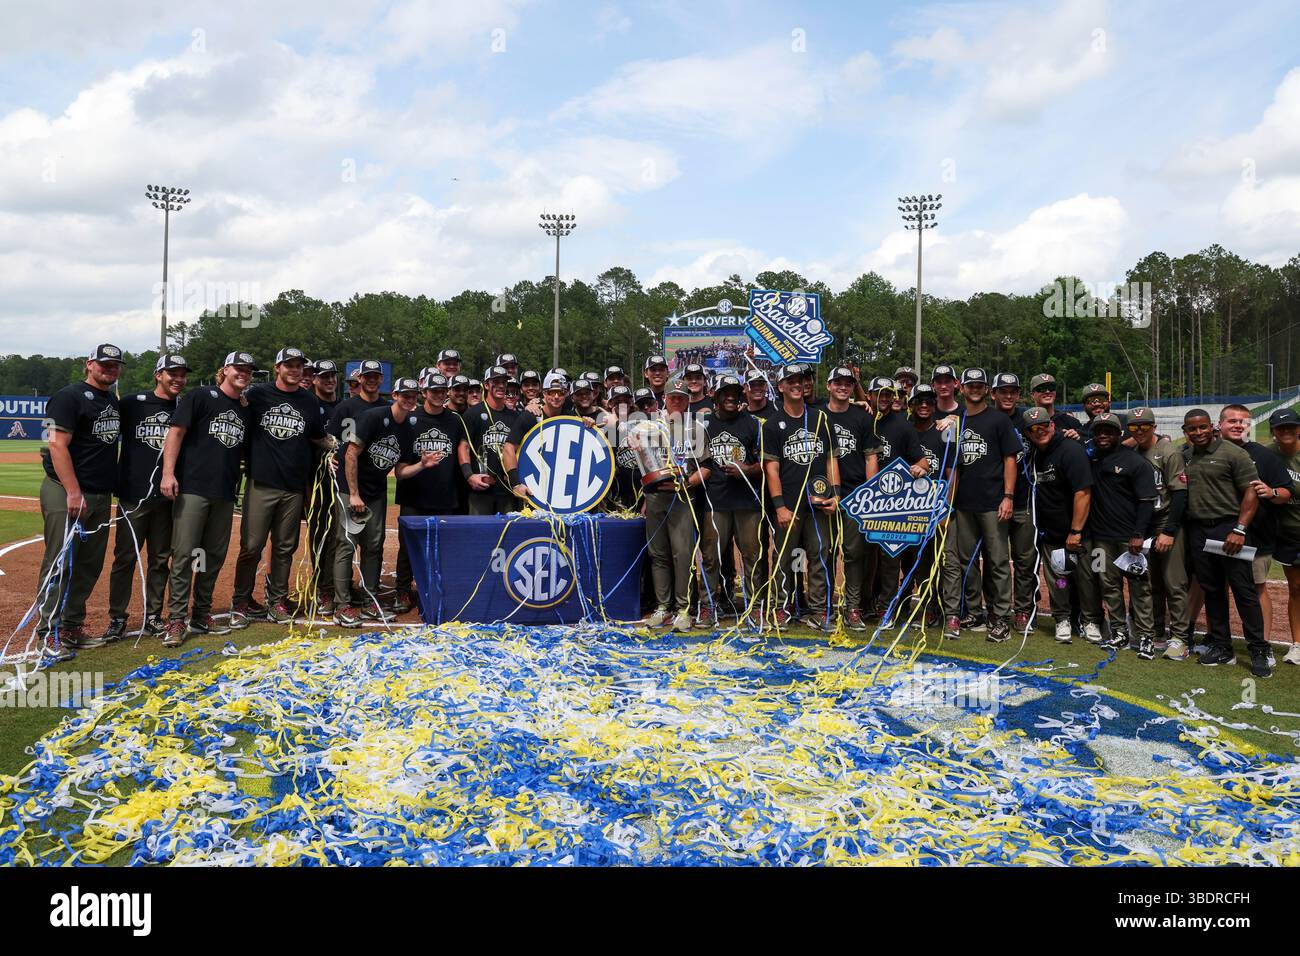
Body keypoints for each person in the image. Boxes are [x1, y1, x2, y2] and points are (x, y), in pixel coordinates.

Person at [159, 352, 255, 648]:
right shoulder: (201, 396)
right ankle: (176, 618)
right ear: (225, 369)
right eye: (238, 368)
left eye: (248, 371)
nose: (243, 374)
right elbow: (175, 433)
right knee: (185, 554)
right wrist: (168, 474)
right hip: (193, 489)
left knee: (210, 557)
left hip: (224, 493)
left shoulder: (245, 409)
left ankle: (201, 613)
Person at [231, 347, 331, 627]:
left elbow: (317, 437)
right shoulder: (257, 395)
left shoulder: (309, 401)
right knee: (251, 545)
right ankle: (241, 600)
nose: (295, 370)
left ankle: (276, 599)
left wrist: (336, 447)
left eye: (299, 366)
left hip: (294, 486)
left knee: (285, 547)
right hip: (262, 482)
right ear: (277, 368)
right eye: (289, 365)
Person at [35, 343, 124, 657]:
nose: (110, 370)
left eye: (115, 366)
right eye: (104, 364)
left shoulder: (111, 400)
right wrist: (73, 491)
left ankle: (72, 626)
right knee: (59, 562)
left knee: (88, 565)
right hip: (66, 490)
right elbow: (57, 446)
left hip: (100, 493)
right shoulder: (69, 396)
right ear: (89, 364)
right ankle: (49, 632)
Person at [102, 354, 189, 643]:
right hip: (133, 495)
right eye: (171, 373)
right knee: (125, 557)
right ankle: (117, 617)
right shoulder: (131, 403)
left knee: (160, 559)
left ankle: (153, 615)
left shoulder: (185, 406)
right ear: (157, 375)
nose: (177, 379)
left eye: (181, 374)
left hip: (168, 498)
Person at [1180, 408, 1271, 676]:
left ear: (1212, 427)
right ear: (1185, 432)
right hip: (1199, 529)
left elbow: (1251, 493)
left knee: (1244, 591)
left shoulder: (1234, 453)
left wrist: (1240, 529)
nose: (1198, 433)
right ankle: (1222, 646)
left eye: (1202, 427)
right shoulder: (1186, 456)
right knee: (1212, 590)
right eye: (1192, 429)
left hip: (1229, 528)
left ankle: (1258, 649)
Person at [940, 367, 1021, 642]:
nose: (975, 389)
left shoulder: (998, 420)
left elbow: (1010, 459)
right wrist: (949, 504)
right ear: (961, 388)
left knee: (997, 561)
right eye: (970, 385)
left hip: (992, 502)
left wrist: (1008, 496)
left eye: (980, 385)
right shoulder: (958, 422)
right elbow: (955, 468)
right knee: (968, 562)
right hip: (964, 504)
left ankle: (1000, 617)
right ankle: (974, 611)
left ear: (987, 389)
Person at [333, 378, 422, 626]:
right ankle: (342, 605)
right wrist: (353, 493)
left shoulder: (407, 428)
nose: (410, 398)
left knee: (374, 546)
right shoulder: (373, 417)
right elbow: (351, 454)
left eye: (414, 395)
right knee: (347, 544)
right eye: (405, 394)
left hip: (376, 492)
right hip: (351, 488)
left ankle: (369, 598)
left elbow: (401, 471)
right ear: (394, 394)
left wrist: (422, 464)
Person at [762, 365, 840, 629]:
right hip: (790, 506)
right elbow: (770, 469)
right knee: (784, 558)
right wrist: (779, 507)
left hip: (818, 504)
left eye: (801, 380)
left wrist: (836, 494)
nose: (797, 384)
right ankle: (781, 609)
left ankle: (818, 612)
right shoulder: (772, 424)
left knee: (819, 556)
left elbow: (831, 458)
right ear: (781, 386)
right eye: (790, 380)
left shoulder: (820, 418)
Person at [1075, 413, 1158, 656]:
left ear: (1119, 433)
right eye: (1098, 430)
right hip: (1101, 539)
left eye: (1109, 431)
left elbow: (1146, 502)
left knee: (1139, 588)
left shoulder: (1135, 462)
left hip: (1128, 539)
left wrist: (1138, 534)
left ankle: (1145, 637)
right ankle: (1119, 632)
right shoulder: (1089, 460)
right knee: (1108, 585)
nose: (1103, 435)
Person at [391, 372, 469, 612]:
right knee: (408, 547)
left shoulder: (455, 420)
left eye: (441, 391)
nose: (437, 395)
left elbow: (462, 450)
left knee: (441, 547)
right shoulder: (410, 419)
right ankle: (403, 592)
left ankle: (436, 590)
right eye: (433, 391)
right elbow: (399, 464)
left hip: (445, 494)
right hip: (414, 493)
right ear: (424, 393)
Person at [1218, 404, 1296, 642]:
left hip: (1255, 534)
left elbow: (1286, 492)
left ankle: (1261, 643)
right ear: (1220, 424)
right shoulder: (1206, 451)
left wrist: (1271, 491)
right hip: (1213, 531)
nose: (1238, 425)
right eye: (1232, 421)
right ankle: (1218, 640)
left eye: (1243, 421)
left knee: (1257, 586)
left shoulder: (1264, 455)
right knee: (1214, 586)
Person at [641, 382, 709, 631]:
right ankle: (662, 607)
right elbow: (643, 461)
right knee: (658, 553)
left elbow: (707, 467)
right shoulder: (650, 425)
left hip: (682, 498)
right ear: (665, 399)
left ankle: (683, 609)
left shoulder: (696, 428)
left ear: (688, 400)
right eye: (673, 397)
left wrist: (687, 483)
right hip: (656, 497)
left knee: (682, 554)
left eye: (682, 398)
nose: (677, 402)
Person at [1126, 407, 1193, 659]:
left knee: (1174, 582)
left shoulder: (1168, 451)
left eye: (1145, 426)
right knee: (1149, 582)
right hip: (1144, 526)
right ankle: (1156, 633)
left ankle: (1180, 638)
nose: (1140, 431)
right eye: (1134, 427)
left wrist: (1169, 531)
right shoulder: (1131, 453)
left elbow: (1179, 494)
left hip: (1165, 522)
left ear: (1154, 426)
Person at [697, 375, 764, 626]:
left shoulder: (752, 424)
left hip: (748, 502)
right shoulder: (704, 425)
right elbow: (696, 462)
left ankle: (755, 606)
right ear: (714, 395)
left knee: (752, 556)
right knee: (711, 557)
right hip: (715, 501)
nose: (730, 397)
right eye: (725, 392)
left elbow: (767, 464)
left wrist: (746, 470)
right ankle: (707, 606)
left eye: (735, 393)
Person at [1022, 407, 1092, 643]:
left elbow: (1082, 492)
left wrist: (1076, 531)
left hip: (1077, 533)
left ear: (1053, 425)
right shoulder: (1033, 453)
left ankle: (1088, 620)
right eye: (1034, 429)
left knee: (1085, 578)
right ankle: (1062, 618)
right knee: (1059, 580)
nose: (1040, 431)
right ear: (1028, 433)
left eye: (1044, 425)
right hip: (1050, 533)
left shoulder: (1071, 450)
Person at [864, 375, 928, 618]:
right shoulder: (862, 420)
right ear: (869, 396)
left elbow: (922, 461)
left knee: (890, 557)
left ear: (894, 397)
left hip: (893, 502)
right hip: (864, 499)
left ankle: (885, 607)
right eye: (879, 394)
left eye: (889, 394)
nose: (884, 398)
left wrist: (920, 469)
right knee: (866, 557)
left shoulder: (903, 426)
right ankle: (863, 604)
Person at [824, 367, 880, 630]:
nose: (843, 387)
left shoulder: (862, 416)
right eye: (838, 382)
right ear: (829, 386)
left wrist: (870, 494)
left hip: (856, 493)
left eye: (848, 383)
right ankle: (823, 604)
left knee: (854, 553)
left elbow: (871, 456)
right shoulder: (817, 415)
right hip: (824, 493)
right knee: (823, 550)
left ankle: (853, 607)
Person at [991, 372, 1037, 633]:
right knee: (996, 560)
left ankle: (1022, 611)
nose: (1008, 395)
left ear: (1019, 394)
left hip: (1023, 500)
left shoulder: (1028, 419)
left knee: (1024, 561)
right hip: (992, 501)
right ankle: (996, 610)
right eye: (1003, 391)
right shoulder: (985, 418)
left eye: (1013, 391)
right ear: (993, 394)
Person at [462, 365, 527, 515]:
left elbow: (519, 450)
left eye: (504, 382)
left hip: (507, 489)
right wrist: (469, 475)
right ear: (486, 385)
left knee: (507, 534)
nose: (501, 386)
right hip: (481, 489)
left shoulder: (514, 417)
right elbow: (463, 446)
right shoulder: (473, 413)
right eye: (495, 381)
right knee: (479, 534)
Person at [1265, 407, 1300, 665]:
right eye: (1280, 428)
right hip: (1287, 532)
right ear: (1274, 431)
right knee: (1296, 589)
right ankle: (1297, 644)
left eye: (1291, 427)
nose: (1286, 431)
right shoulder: (1268, 455)